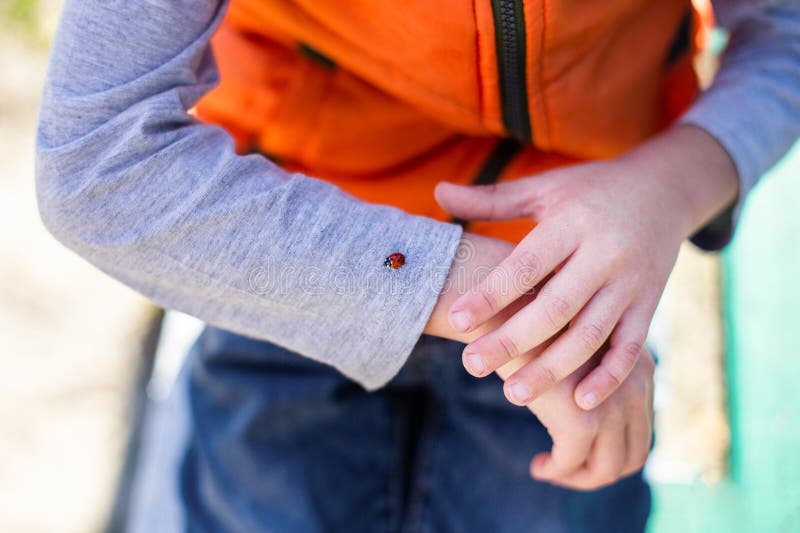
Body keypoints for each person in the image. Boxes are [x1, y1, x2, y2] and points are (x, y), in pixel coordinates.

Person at [36, 0, 799, 531]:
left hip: (577, 287)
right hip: (285, 257)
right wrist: (496, 300)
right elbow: (98, 159)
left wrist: (671, 183)